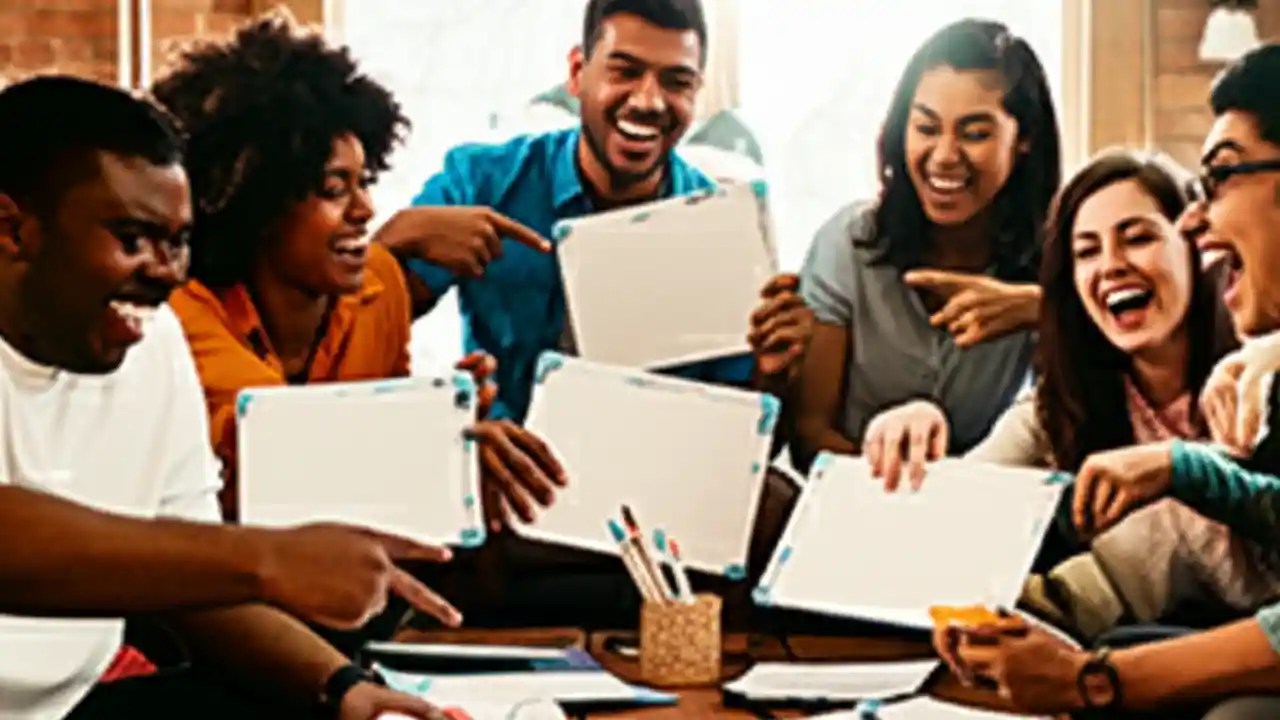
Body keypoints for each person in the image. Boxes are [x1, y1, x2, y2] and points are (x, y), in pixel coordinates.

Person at [0, 76, 458, 720]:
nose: (166, 273)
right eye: (131, 239)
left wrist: (344, 689)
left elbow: (192, 579)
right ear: (12, 228)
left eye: (177, 241)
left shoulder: (153, 342)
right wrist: (267, 557)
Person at [935, 44, 1280, 720]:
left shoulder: (1257, 370)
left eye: (1224, 177)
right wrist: (913, 436)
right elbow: (953, 512)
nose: (1197, 219)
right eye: (1086, 252)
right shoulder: (1062, 406)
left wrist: (1092, 679)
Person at [152, 12, 559, 530]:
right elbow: (281, 447)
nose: (365, 209)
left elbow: (377, 484)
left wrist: (441, 414)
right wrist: (430, 432)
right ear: (259, 206)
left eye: (364, 181)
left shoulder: (381, 284)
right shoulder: (183, 317)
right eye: (335, 189)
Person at [376, 0, 813, 429]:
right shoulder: (482, 184)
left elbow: (738, 438)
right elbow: (356, 324)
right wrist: (392, 240)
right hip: (501, 470)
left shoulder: (723, 232)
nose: (649, 101)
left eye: (676, 81)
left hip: (650, 474)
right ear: (577, 73)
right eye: (625, 71)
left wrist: (774, 375)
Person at [790, 18, 1059, 478]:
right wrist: (914, 493)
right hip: (847, 494)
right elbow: (809, 435)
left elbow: (1076, 422)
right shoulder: (849, 245)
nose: (944, 155)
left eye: (974, 133)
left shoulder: (1054, 261)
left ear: (1025, 140)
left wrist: (1043, 308)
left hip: (979, 504)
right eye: (926, 127)